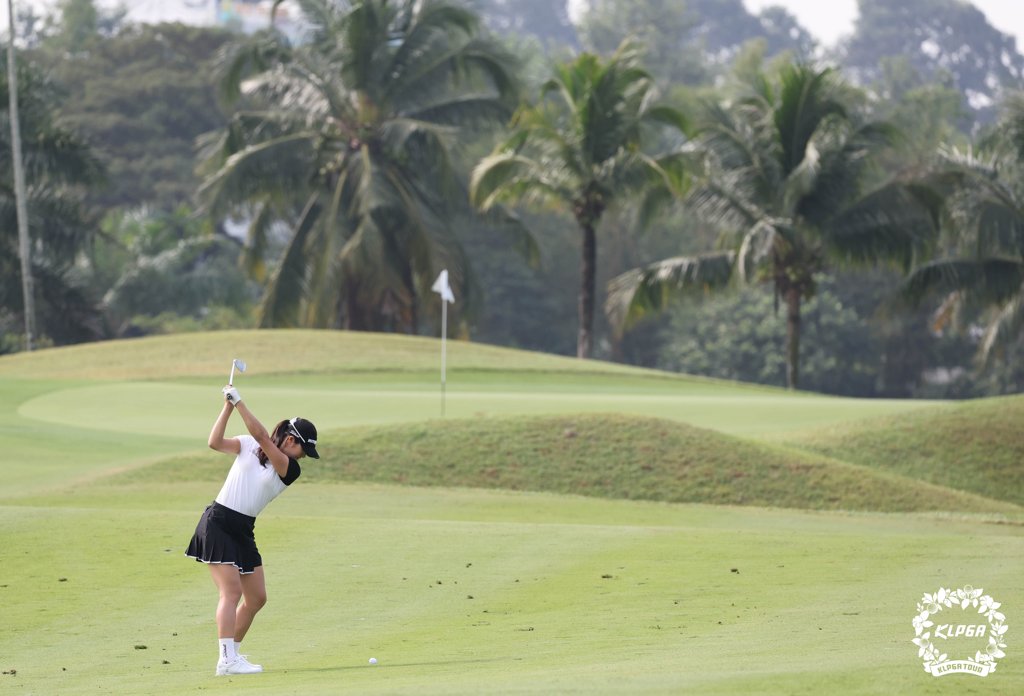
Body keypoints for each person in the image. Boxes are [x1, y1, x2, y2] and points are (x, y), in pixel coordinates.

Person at [185, 383, 320, 676]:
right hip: (219, 522)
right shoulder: (247, 444)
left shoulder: (288, 468)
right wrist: (228, 407)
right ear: (288, 438)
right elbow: (215, 442)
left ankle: (231, 654)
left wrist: (240, 401)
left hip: (243, 529)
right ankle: (226, 659)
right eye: (302, 448)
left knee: (257, 597)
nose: (302, 456)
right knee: (231, 592)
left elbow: (262, 436)